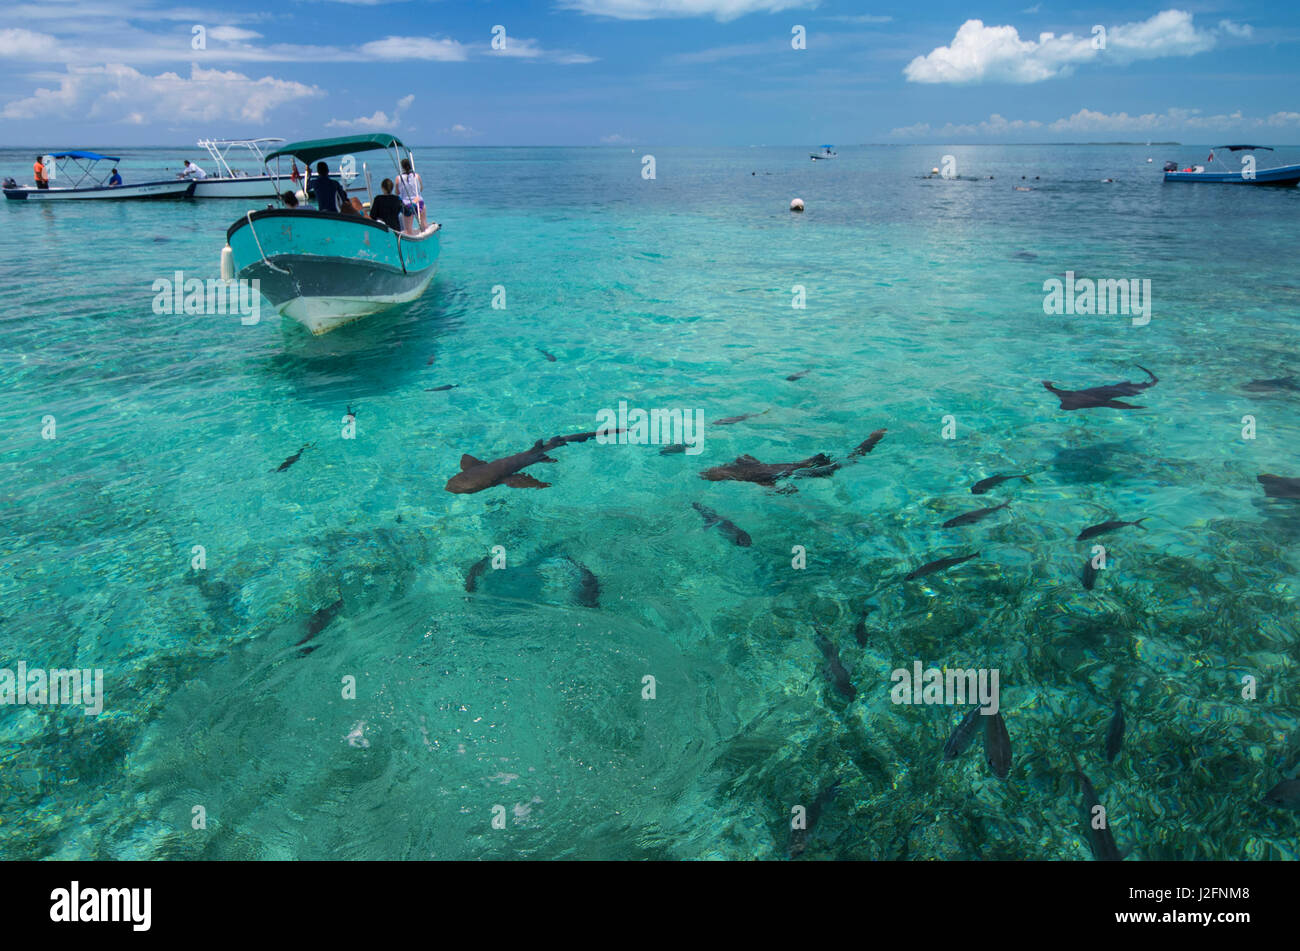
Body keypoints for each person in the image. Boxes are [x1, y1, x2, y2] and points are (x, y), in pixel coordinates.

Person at [395, 157, 426, 234]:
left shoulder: (398, 178)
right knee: (424, 225)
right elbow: (421, 189)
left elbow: (397, 192)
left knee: (408, 230)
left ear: (402, 167)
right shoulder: (417, 176)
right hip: (419, 202)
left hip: (407, 205)